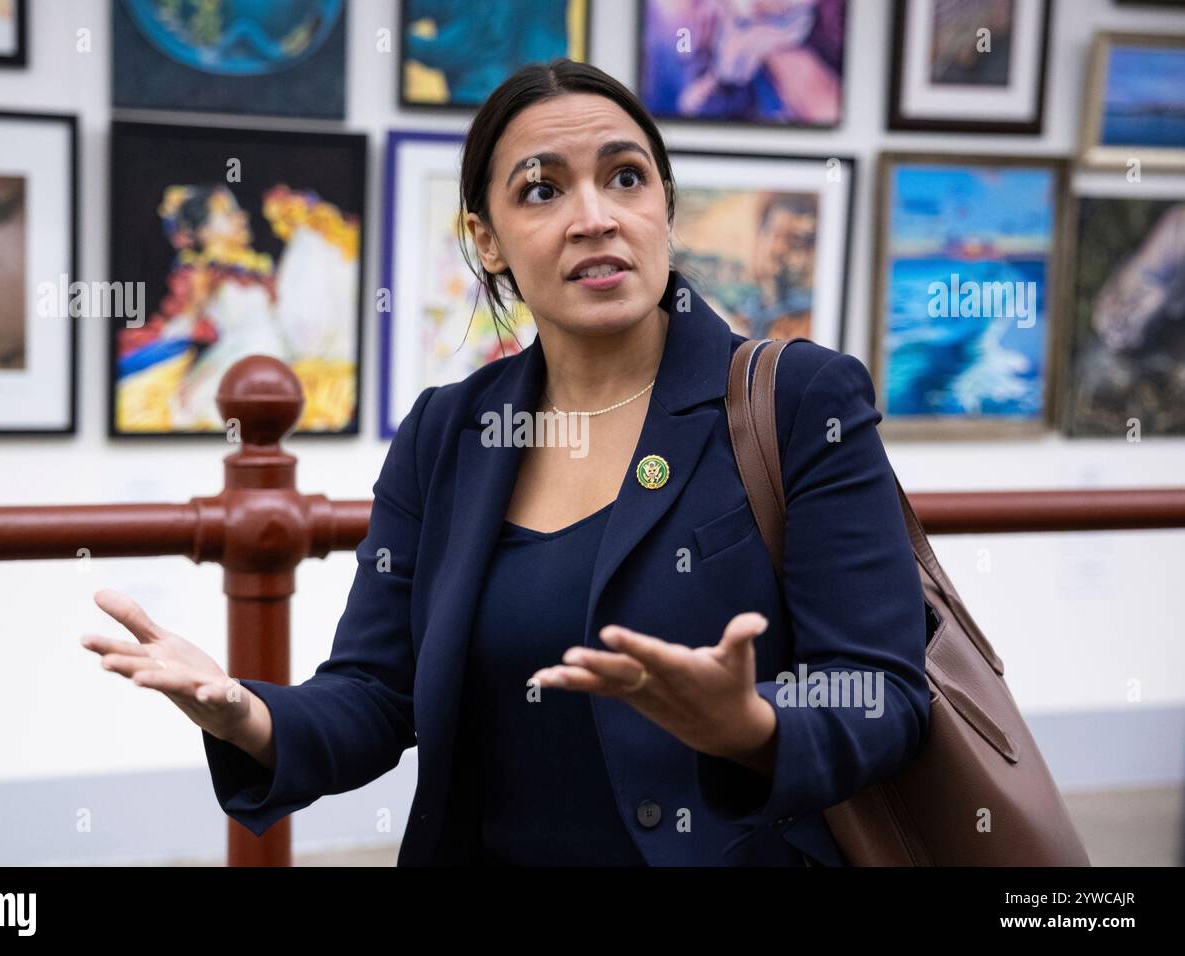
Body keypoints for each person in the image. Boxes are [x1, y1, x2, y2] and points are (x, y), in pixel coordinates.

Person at [82, 59, 930, 866]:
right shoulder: (447, 433)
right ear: (487, 241)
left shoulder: (798, 399)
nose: (594, 215)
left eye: (625, 177)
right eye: (542, 189)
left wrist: (753, 725)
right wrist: (248, 713)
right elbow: (378, 695)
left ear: (664, 205)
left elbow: (883, 694)